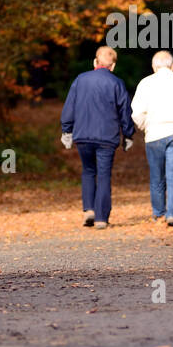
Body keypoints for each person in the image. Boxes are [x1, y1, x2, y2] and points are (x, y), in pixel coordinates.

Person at [60, 46, 135, 228]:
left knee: (88, 171)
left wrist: (66, 130)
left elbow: (69, 107)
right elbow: (125, 111)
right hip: (107, 138)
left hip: (83, 136)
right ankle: (101, 218)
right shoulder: (117, 83)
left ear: (95, 62)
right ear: (113, 65)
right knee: (103, 175)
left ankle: (89, 209)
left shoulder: (80, 80)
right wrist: (128, 134)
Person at [130, 50, 173, 226]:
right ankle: (172, 213)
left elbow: (136, 112)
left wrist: (145, 126)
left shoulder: (145, 83)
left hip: (154, 134)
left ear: (153, 66)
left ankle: (158, 212)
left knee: (157, 176)